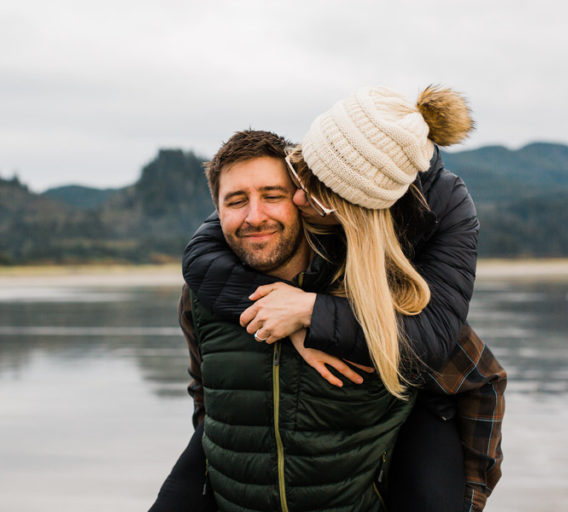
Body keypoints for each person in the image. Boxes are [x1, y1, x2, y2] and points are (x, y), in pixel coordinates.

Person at [154, 86, 506, 511]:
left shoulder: (388, 289)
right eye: (235, 201)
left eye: (275, 195)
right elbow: (206, 393)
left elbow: (473, 375)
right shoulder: (202, 296)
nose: (256, 214)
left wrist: (313, 313)